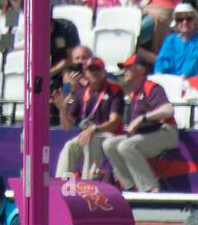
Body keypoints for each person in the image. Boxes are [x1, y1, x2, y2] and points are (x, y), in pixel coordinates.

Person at [102, 54, 179, 192]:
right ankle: (130, 187)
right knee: (109, 144)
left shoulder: (151, 87)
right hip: (146, 134)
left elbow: (168, 110)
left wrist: (143, 118)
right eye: (124, 69)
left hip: (166, 132)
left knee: (127, 146)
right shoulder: (133, 93)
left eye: (128, 68)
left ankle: (151, 189)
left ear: (141, 70)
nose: (124, 71)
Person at [54, 57, 125, 179]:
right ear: (85, 73)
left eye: (98, 69)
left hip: (108, 134)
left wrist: (94, 129)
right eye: (91, 70)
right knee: (70, 146)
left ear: (104, 71)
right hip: (87, 134)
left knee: (90, 142)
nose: (95, 73)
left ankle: (89, 183)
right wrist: (63, 109)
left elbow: (114, 123)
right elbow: (66, 126)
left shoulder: (114, 90)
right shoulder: (82, 92)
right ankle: (62, 182)